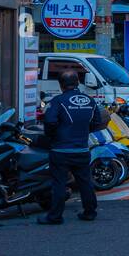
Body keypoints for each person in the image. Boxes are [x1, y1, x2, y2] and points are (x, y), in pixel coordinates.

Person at [38, 70, 107, 226]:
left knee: (59, 183)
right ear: (78, 83)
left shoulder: (58, 101)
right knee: (85, 182)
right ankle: (90, 212)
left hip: (60, 150)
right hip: (82, 149)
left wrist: (53, 136)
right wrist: (83, 132)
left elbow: (49, 121)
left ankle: (55, 216)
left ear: (61, 85)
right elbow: (98, 122)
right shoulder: (90, 101)